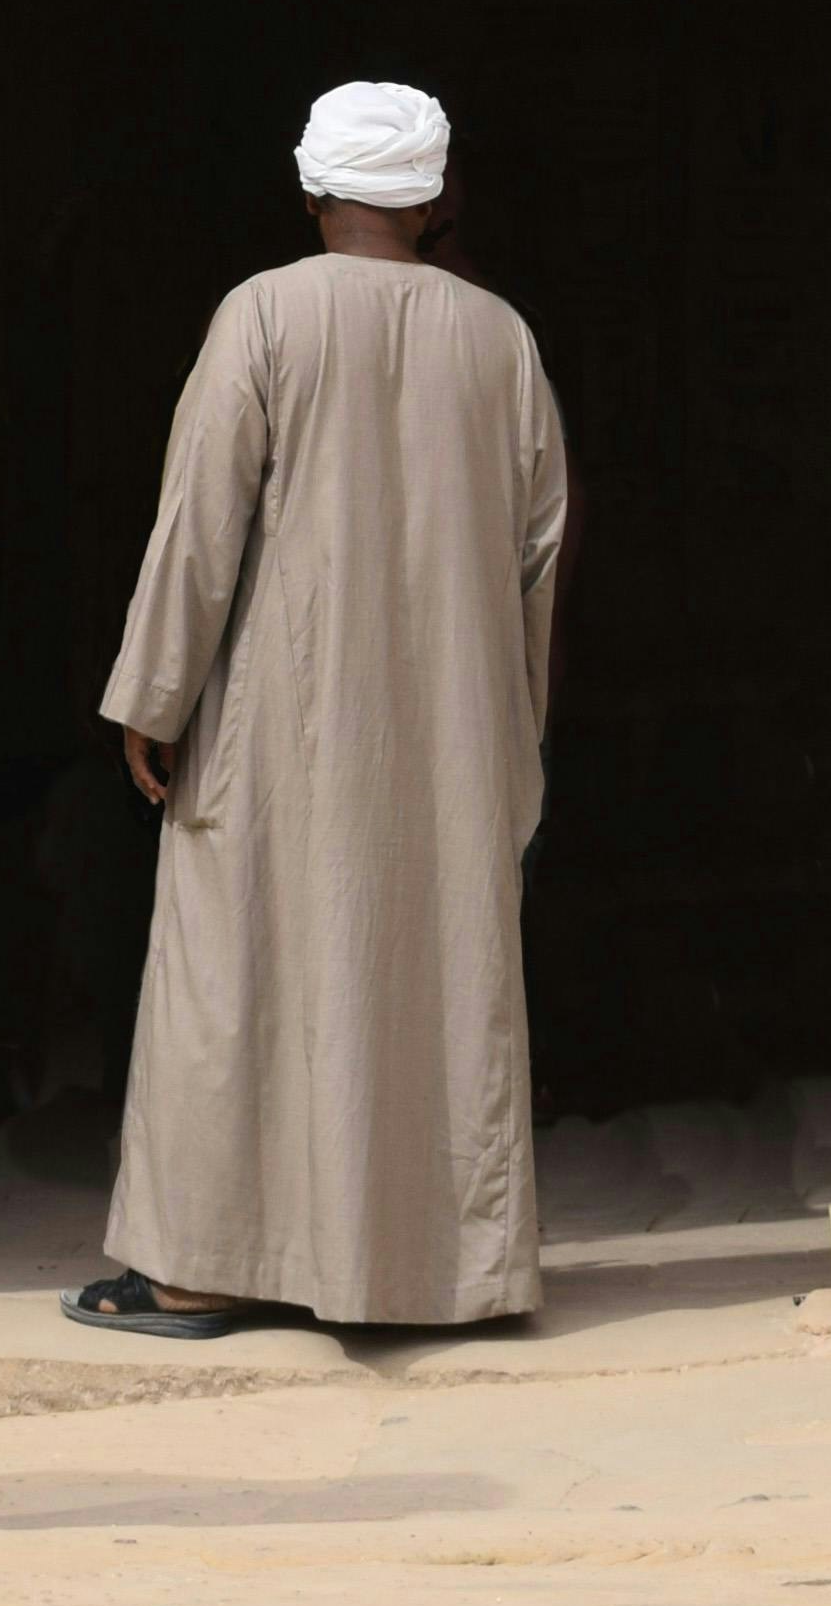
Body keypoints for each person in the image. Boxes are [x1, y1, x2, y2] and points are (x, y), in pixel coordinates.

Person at [70, 81, 568, 1342]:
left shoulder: (264, 314)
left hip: (277, 727)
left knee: (233, 984)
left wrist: (155, 694)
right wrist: (510, 738)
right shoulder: (498, 338)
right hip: (451, 735)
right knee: (429, 988)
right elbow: (538, 557)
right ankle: (447, 1273)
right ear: (435, 196)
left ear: (308, 186)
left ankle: (197, 1270)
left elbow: (198, 522)